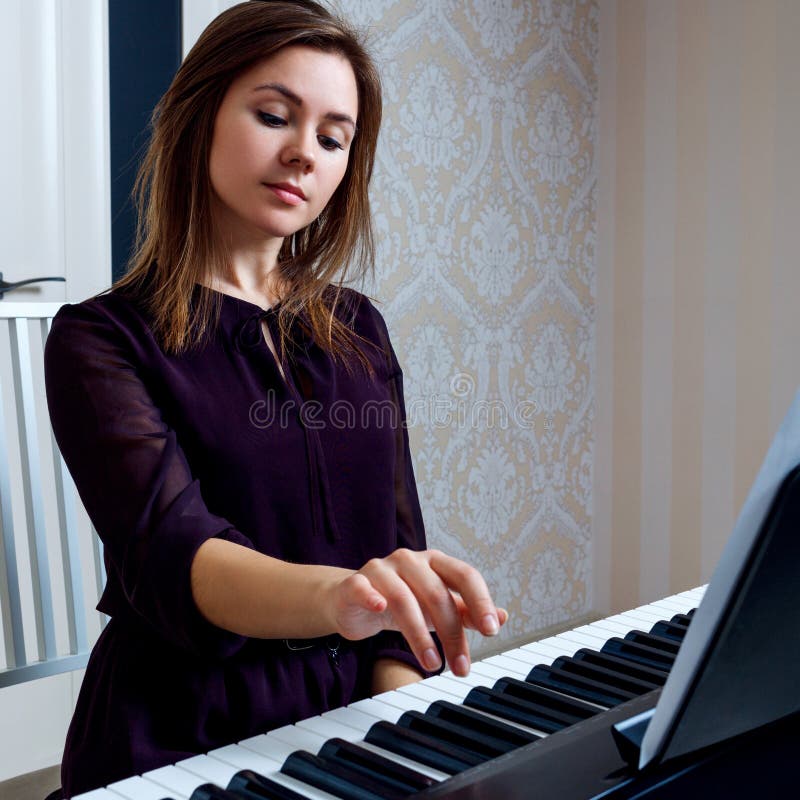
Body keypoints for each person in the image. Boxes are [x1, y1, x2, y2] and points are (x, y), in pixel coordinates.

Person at [44, 1, 507, 795]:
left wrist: (407, 740)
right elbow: (179, 554)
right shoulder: (100, 339)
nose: (303, 155)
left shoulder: (359, 326)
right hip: (177, 736)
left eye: (333, 138)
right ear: (201, 116)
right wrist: (345, 596)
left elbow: (399, 549)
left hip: (349, 720)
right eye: (273, 116)